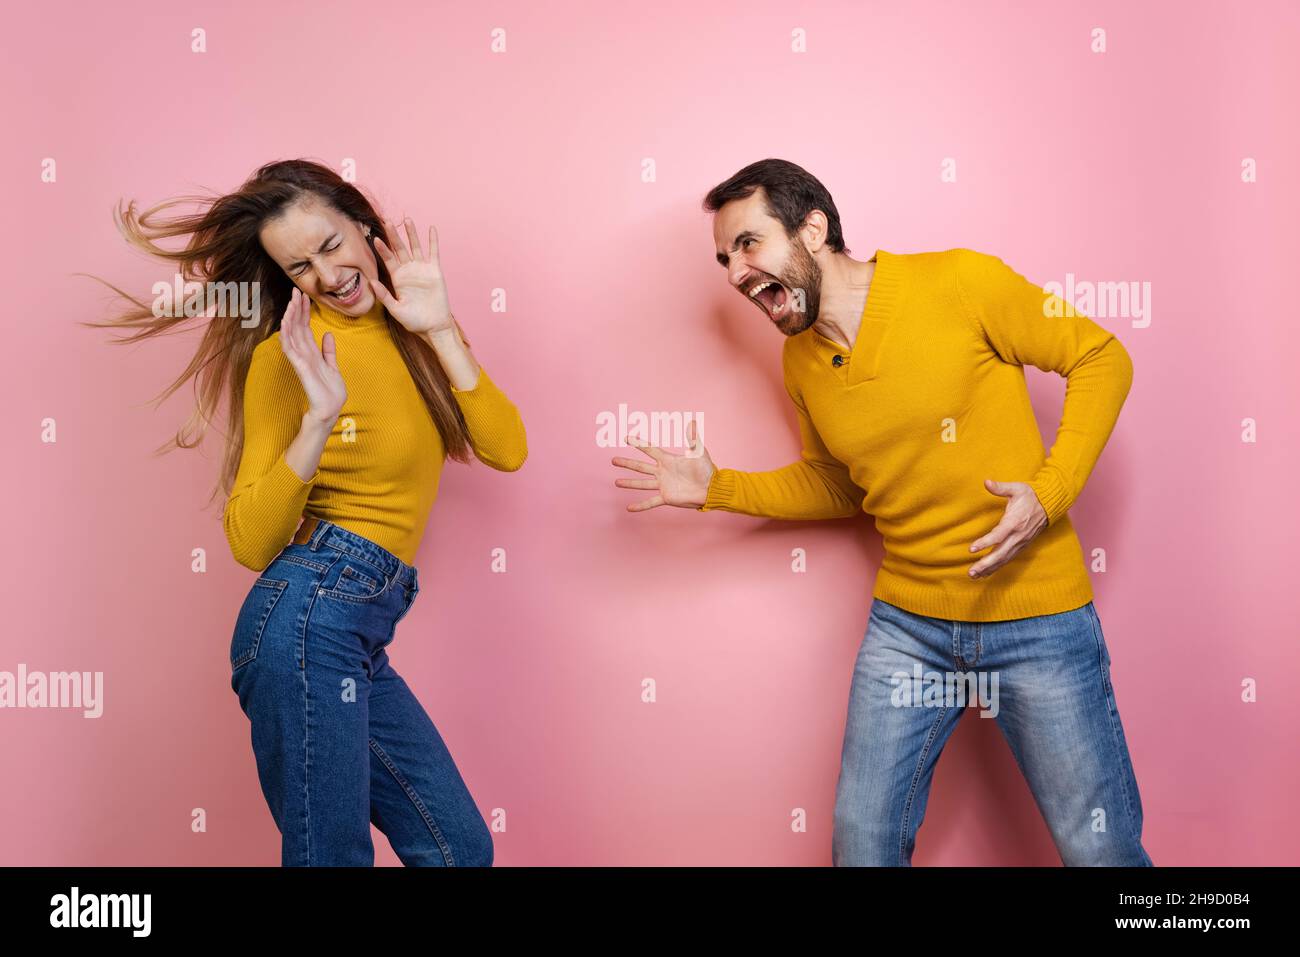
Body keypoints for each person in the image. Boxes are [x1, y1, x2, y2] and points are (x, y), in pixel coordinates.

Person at [612, 158, 1152, 867]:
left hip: (1037, 617)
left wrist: (1047, 494)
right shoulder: (802, 362)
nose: (736, 272)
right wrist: (719, 487)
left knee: (1099, 849)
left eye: (748, 243)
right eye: (724, 258)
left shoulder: (961, 281)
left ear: (813, 228)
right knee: (863, 842)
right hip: (911, 628)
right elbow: (843, 486)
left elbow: (1100, 357)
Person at [82, 159, 526, 866]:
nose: (326, 274)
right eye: (299, 267)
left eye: (329, 245)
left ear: (362, 223)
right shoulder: (286, 359)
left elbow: (507, 449)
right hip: (308, 613)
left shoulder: (415, 323)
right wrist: (317, 423)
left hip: (359, 626)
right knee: (332, 857)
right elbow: (250, 540)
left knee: (458, 848)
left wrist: (441, 328)